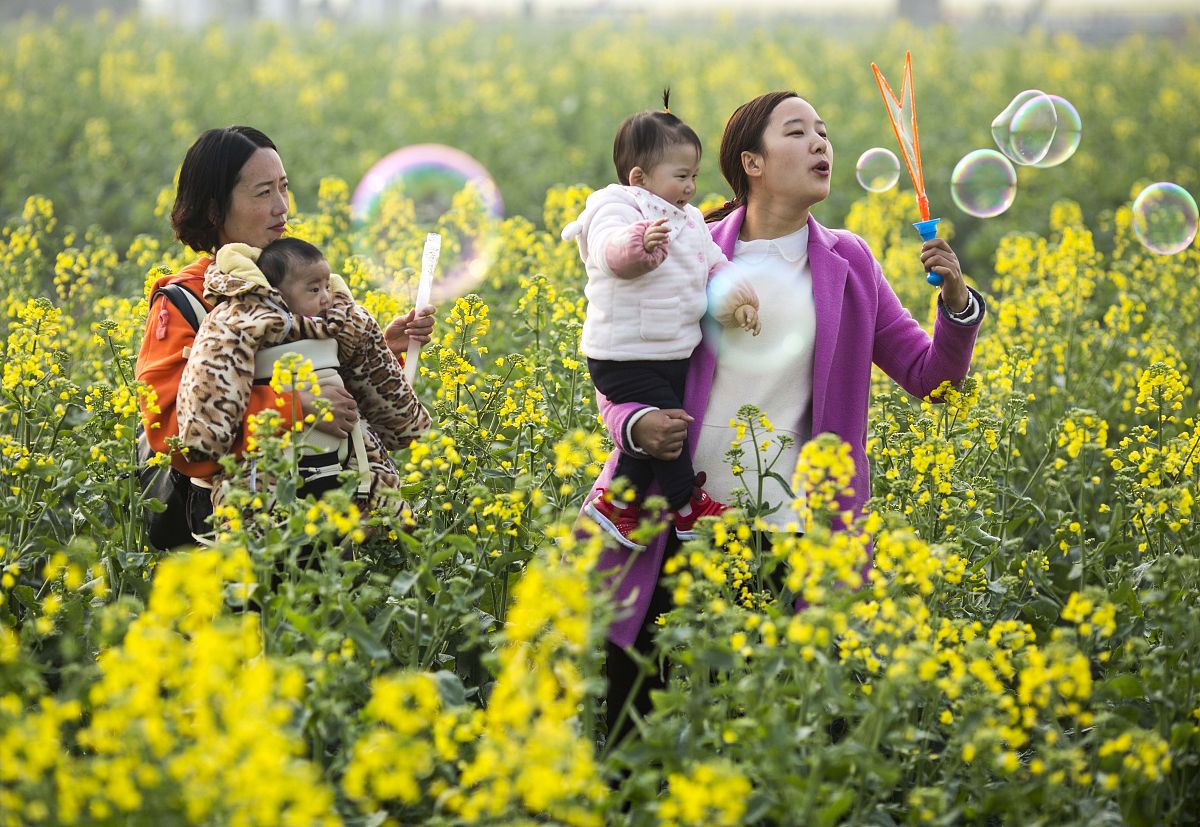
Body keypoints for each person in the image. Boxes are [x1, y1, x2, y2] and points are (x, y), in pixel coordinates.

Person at [586, 91, 987, 744]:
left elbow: (931, 381)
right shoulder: (691, 243)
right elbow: (621, 352)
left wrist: (959, 305)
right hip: (675, 513)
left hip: (788, 530)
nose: (820, 143)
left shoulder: (849, 262)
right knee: (638, 723)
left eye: (825, 132)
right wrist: (632, 423)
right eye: (797, 132)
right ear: (753, 162)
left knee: (773, 739)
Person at [135, 126, 435, 540]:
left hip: (329, 519)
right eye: (262, 193)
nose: (281, 208)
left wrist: (383, 350)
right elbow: (177, 440)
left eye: (284, 188)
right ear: (213, 209)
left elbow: (345, 408)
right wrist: (296, 408)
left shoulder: (300, 283)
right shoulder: (185, 301)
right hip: (234, 536)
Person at [563, 92, 761, 552]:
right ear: (640, 178)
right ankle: (687, 506)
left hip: (667, 350)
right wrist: (639, 242)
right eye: (681, 176)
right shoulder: (617, 208)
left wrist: (740, 300)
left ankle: (616, 505)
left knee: (662, 434)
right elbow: (611, 252)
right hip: (624, 354)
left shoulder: (688, 219)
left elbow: (713, 265)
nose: (691, 187)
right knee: (671, 432)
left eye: (694, 176)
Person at [175, 238, 430, 520]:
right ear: (278, 294)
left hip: (347, 466)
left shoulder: (340, 324)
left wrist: (387, 348)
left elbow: (384, 401)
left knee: (383, 522)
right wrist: (296, 406)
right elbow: (203, 419)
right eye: (313, 289)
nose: (325, 297)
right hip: (269, 475)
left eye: (326, 287)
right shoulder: (235, 320)